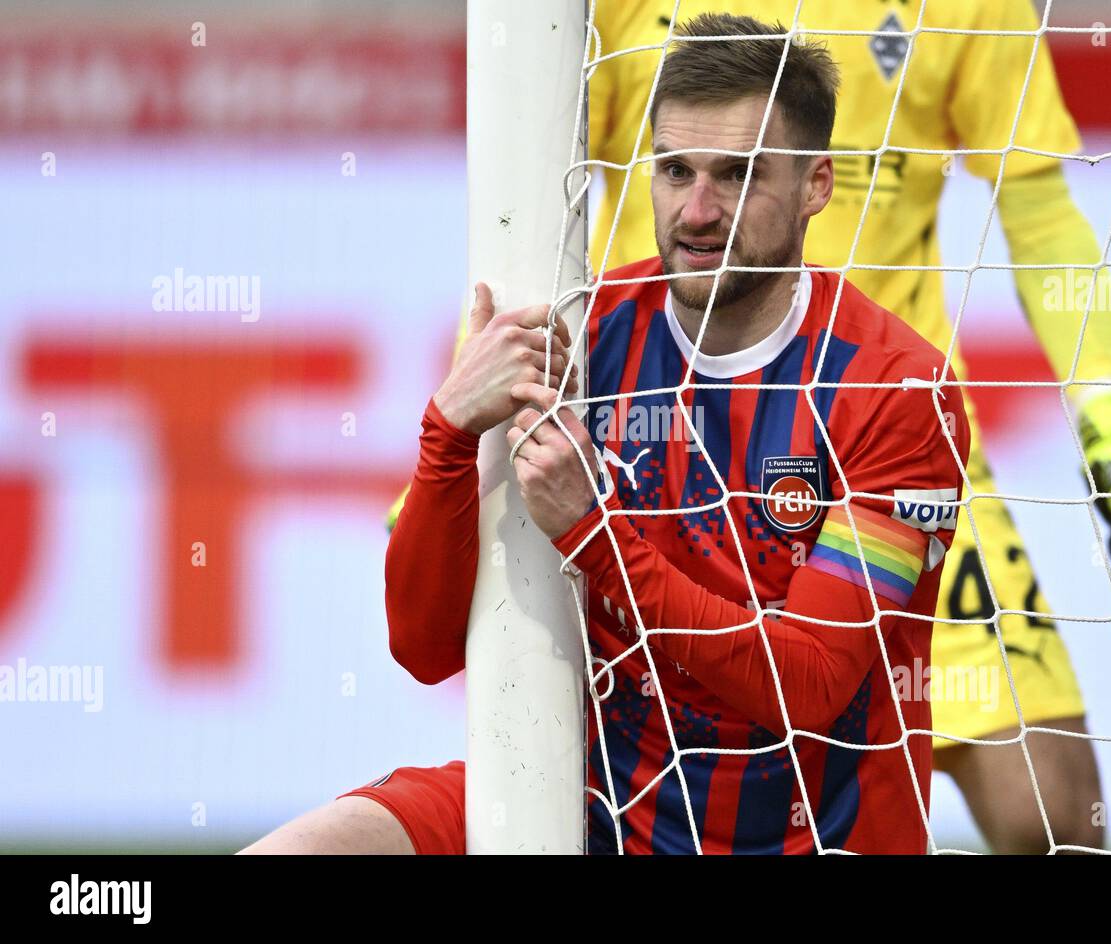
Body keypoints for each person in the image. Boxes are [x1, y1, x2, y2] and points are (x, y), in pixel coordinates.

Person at [242, 12, 969, 855]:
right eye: (674, 171)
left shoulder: (895, 387)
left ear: (816, 187)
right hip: (581, 806)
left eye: (737, 176)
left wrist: (594, 535)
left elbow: (805, 682)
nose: (697, 212)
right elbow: (423, 647)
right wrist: (446, 433)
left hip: (807, 836)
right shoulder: (584, 336)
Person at [580, 0, 1111, 853]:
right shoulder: (610, 9)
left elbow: (1040, 211)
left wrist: (1106, 418)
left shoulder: (969, 8)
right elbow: (532, 210)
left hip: (895, 454)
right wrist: (468, 447)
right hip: (666, 454)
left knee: (1049, 815)